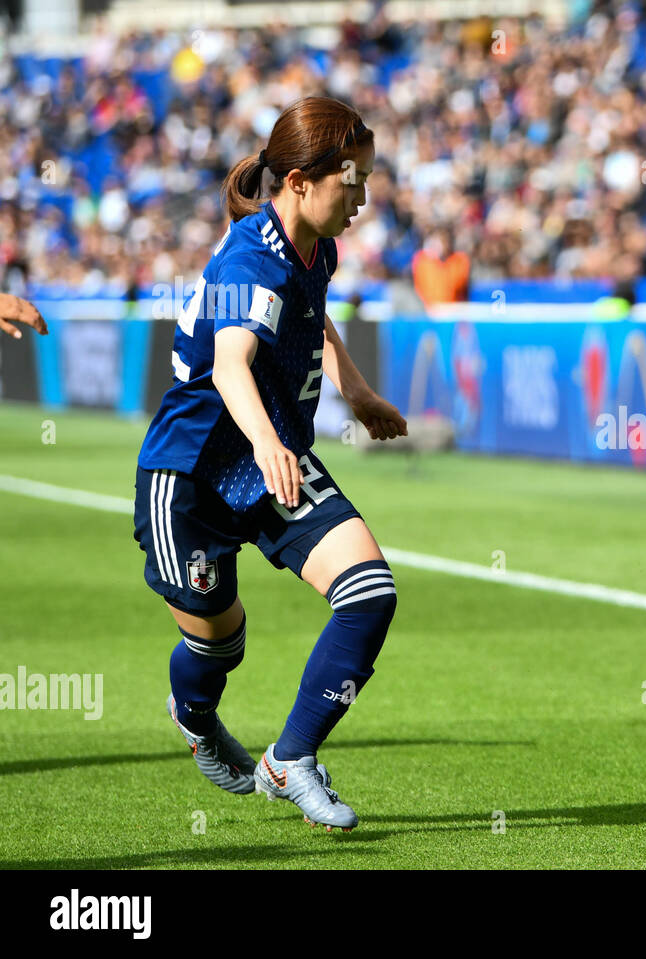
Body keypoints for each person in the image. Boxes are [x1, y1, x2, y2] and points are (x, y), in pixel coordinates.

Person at [134, 96, 408, 832]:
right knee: (219, 643)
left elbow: (309, 312)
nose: (360, 199)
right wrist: (265, 441)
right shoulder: (251, 256)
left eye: (366, 181)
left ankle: (291, 758)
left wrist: (353, 387)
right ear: (297, 180)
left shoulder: (318, 245)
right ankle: (194, 717)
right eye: (350, 182)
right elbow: (230, 367)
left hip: (273, 452)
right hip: (191, 473)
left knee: (370, 592)